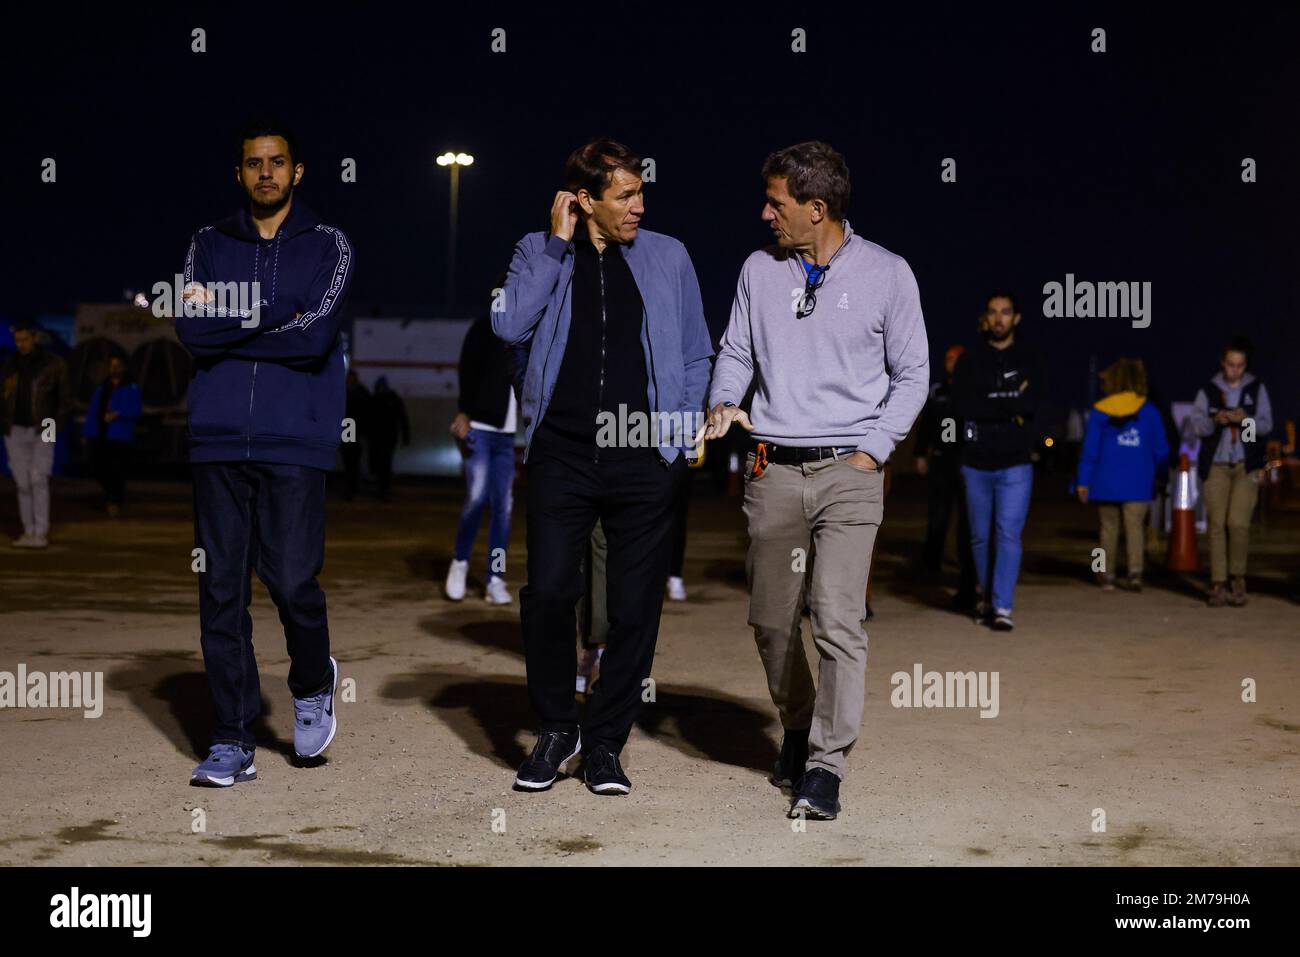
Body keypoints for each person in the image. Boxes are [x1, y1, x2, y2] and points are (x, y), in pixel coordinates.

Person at [705, 141, 929, 820]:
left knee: (836, 617)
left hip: (849, 473)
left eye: (776, 202)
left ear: (816, 207)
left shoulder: (888, 273)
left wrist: (874, 450)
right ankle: (798, 724)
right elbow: (737, 348)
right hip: (773, 467)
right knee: (771, 621)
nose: (764, 212)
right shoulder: (758, 270)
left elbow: (913, 373)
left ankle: (826, 764)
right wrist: (723, 399)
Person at [493, 137, 713, 796]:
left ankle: (607, 743)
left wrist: (675, 444)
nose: (639, 206)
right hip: (561, 452)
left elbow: (697, 353)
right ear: (583, 199)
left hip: (644, 458)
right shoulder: (538, 253)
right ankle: (559, 725)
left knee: (635, 607)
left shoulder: (668, 256)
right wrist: (556, 246)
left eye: (642, 192)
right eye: (625, 195)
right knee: (551, 591)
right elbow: (509, 328)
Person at [176, 120, 354, 786]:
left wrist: (233, 314)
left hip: (296, 439)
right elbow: (192, 330)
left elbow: (314, 340)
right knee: (220, 590)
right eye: (254, 164)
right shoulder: (208, 243)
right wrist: (278, 311)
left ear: (297, 172)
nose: (266, 173)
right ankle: (231, 735)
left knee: (291, 582)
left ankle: (311, 683)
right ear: (240, 173)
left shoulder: (329, 245)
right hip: (218, 438)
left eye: (278, 163)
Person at [951, 293, 1043, 631]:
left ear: (1016, 318)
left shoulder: (1031, 357)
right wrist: (1009, 405)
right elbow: (963, 407)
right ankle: (985, 597)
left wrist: (993, 405)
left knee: (1007, 534)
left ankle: (1002, 605)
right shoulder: (969, 360)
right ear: (986, 318)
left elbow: (1033, 404)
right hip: (975, 461)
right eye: (993, 312)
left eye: (1006, 312)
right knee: (979, 536)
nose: (999, 318)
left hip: (1016, 462)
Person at [1185, 336, 1273, 607]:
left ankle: (1238, 577)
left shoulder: (1256, 389)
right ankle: (1218, 582)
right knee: (1216, 524)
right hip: (1217, 465)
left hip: (1246, 465)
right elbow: (1196, 427)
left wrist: (1244, 421)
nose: (1235, 370)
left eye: (1240, 365)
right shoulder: (1208, 390)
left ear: (1245, 366)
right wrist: (1216, 421)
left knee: (1238, 523)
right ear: (1223, 364)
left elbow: (1265, 426)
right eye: (1230, 365)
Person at [1075, 358, 1169, 590]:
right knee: (1135, 527)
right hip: (1139, 481)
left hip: (1104, 480)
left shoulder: (1100, 411)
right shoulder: (1148, 410)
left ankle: (1104, 574)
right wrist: (1161, 474)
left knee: (1107, 529)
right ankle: (1135, 573)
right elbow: (1161, 449)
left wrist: (1083, 482)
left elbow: (1090, 450)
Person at [447, 311, 517, 605]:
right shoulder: (485, 326)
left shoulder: (526, 328)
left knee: (504, 508)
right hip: (480, 428)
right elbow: (467, 366)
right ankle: (460, 562)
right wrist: (464, 410)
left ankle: (495, 578)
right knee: (476, 498)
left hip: (508, 434)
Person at [914, 343, 976, 609]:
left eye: (956, 358)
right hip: (941, 460)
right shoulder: (937, 390)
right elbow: (926, 423)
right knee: (937, 515)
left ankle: (967, 571)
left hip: (966, 462)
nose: (950, 362)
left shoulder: (974, 389)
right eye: (948, 358)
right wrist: (920, 453)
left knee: (967, 519)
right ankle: (931, 563)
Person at [2, 321, 71, 548]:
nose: (21, 344)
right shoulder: (10, 365)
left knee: (38, 478)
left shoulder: (53, 364)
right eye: (18, 340)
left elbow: (63, 399)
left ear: (34, 339)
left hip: (45, 426)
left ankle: (40, 531)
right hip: (14, 429)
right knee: (22, 482)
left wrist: (56, 426)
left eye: (25, 339)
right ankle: (28, 530)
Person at [83, 355, 142, 516]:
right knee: (96, 465)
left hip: (120, 436)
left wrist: (118, 414)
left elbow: (136, 411)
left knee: (117, 469)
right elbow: (93, 412)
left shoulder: (132, 388)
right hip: (100, 434)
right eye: (111, 365)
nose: (114, 369)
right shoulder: (102, 388)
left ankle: (114, 499)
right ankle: (112, 494)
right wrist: (87, 433)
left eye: (118, 365)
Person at [366, 376, 409, 500]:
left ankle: (383, 488)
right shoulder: (386, 399)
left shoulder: (379, 399)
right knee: (381, 463)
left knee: (382, 463)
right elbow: (403, 419)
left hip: (383, 438)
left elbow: (402, 419)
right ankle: (382, 488)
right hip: (382, 437)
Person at [340, 369, 369, 500]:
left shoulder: (346, 391)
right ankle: (351, 488)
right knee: (351, 461)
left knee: (350, 461)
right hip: (352, 427)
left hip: (350, 427)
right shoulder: (361, 392)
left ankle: (350, 488)